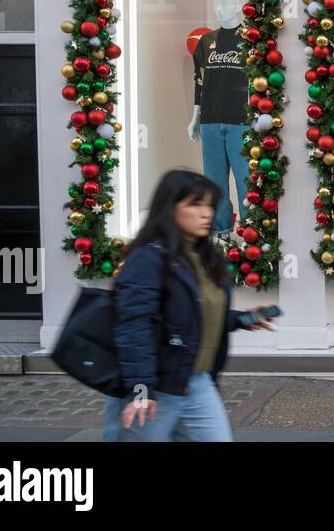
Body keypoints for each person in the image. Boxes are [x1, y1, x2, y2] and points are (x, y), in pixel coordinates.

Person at [106, 170, 275, 442]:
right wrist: (141, 390)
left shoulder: (206, 258)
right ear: (169, 208)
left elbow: (189, 315)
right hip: (156, 386)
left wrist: (240, 319)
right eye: (195, 204)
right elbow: (134, 325)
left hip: (196, 383)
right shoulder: (148, 258)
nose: (206, 213)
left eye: (209, 204)